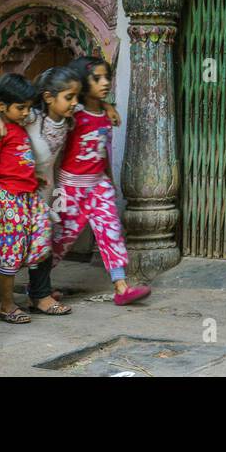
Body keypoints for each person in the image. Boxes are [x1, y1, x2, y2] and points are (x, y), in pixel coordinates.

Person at [0, 65, 84, 306]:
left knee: (40, 237)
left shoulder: (68, 119)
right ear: (48, 97)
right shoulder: (31, 116)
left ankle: (38, 291)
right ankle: (30, 292)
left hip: (42, 185)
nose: (75, 103)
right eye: (69, 97)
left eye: (76, 97)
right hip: (13, 188)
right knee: (14, 240)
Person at [49, 56, 149, 305]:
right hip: (71, 187)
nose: (104, 82)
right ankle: (39, 285)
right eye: (97, 79)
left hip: (99, 185)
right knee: (61, 238)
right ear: (83, 82)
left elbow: (104, 151)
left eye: (107, 77)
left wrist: (110, 181)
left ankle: (121, 286)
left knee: (111, 232)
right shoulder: (73, 114)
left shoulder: (106, 114)